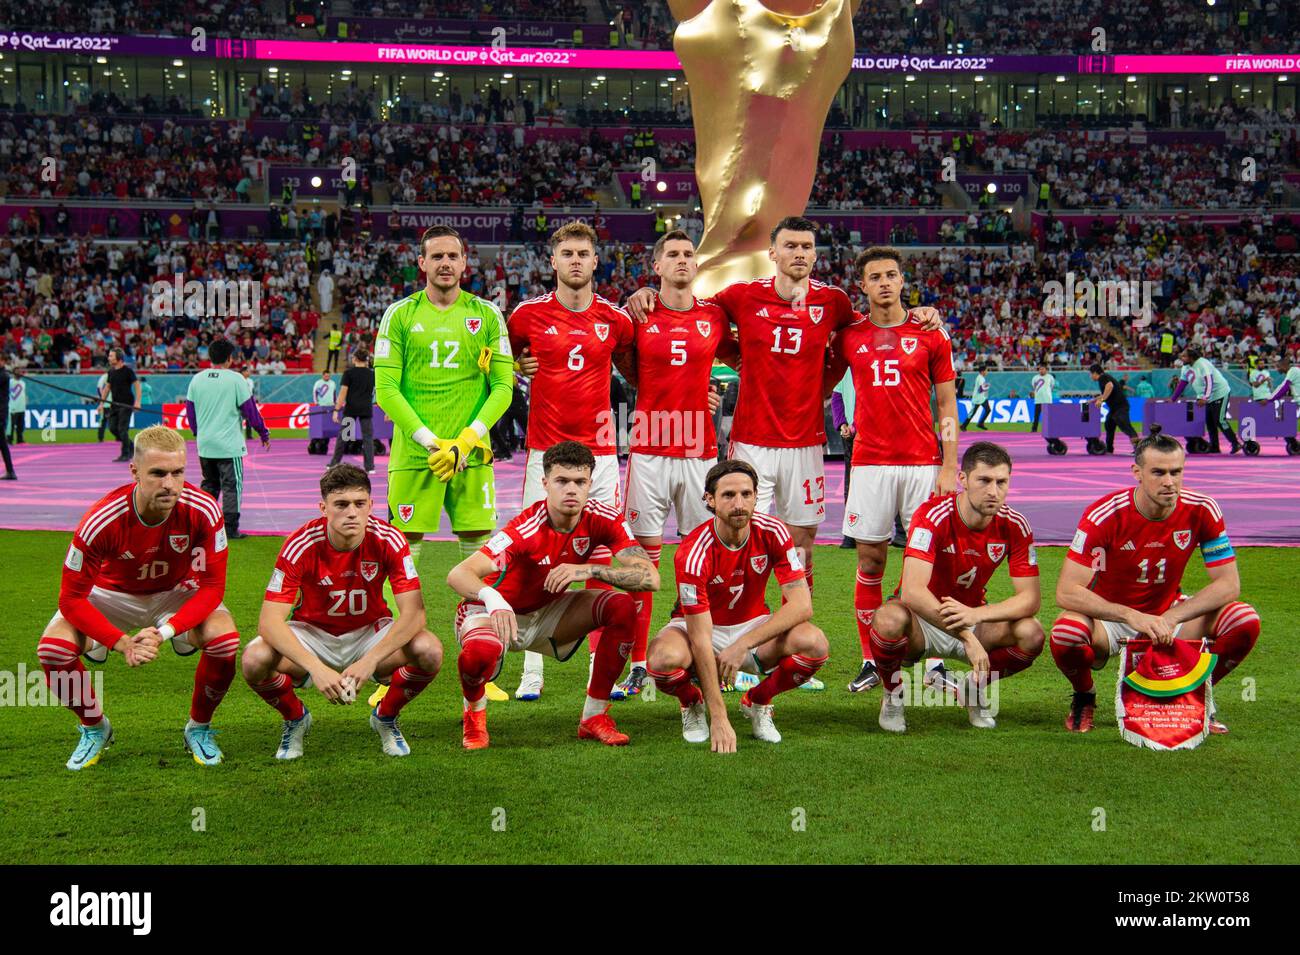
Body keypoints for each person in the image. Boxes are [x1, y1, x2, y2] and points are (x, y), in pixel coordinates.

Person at [625, 218, 943, 642]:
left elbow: (860, 338)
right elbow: (698, 318)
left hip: (806, 442)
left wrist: (921, 312)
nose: (798, 253)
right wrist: (647, 293)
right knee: (738, 533)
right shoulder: (741, 295)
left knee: (802, 540)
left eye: (806, 246)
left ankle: (796, 628)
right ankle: (734, 623)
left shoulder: (833, 303)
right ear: (772, 253)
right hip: (751, 441)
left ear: (814, 255)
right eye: (789, 245)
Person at [35, 425, 240, 769]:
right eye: (158, 473)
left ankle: (199, 728)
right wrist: (120, 642)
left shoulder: (203, 510)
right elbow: (71, 599)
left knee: (226, 642)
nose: (169, 484)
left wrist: (167, 631)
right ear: (134, 472)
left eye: (177, 473)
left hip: (177, 593)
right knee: (52, 650)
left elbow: (212, 588)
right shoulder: (101, 520)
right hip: (112, 596)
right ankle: (94, 727)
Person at [372, 225, 515, 702]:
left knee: (479, 551)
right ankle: (396, 664)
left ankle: (483, 665)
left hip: (472, 458)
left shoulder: (487, 314)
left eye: (453, 255)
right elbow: (386, 390)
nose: (446, 263)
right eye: (437, 256)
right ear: (422, 263)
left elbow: (503, 387)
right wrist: (434, 441)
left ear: (464, 262)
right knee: (402, 553)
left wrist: (469, 439)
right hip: (416, 457)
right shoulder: (399, 315)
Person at [445, 441, 659, 749]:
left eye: (579, 482)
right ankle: (474, 717)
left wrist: (589, 571)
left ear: (590, 484)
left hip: (549, 613)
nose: (571, 490)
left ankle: (593, 717)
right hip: (495, 613)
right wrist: (494, 600)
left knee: (622, 607)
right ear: (545, 484)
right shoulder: (526, 527)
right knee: (479, 653)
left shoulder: (604, 518)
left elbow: (650, 578)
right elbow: (458, 574)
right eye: (562, 481)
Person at [1050, 430, 1259, 734]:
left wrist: (1170, 616)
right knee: (1066, 633)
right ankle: (1085, 695)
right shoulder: (1104, 514)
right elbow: (1067, 591)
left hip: (1167, 613)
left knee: (1243, 619)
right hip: (1110, 620)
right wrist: (1132, 616)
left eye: (1176, 472)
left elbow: (1228, 584)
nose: (1169, 482)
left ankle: (1195, 694)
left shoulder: (1203, 509)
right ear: (1137, 472)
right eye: (1158, 472)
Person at [505, 221, 634, 700]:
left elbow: (635, 363)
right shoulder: (526, 316)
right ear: (553, 262)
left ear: (595, 261)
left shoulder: (616, 319)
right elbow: (503, 360)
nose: (576, 260)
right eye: (568, 253)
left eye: (584, 253)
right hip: (546, 452)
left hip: (599, 457)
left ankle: (598, 672)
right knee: (535, 556)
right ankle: (531, 673)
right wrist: (519, 366)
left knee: (601, 556)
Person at [241, 464, 442, 759]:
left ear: (371, 505)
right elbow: (269, 622)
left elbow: (414, 615)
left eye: (360, 504)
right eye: (341, 504)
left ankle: (385, 717)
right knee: (254, 659)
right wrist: (316, 667)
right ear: (323, 508)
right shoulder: (301, 544)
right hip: (313, 634)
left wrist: (370, 660)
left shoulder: (389, 539)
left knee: (430, 650)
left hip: (368, 634)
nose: (352, 512)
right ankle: (295, 718)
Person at [827, 246, 959, 694]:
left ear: (902, 281)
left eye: (891, 275)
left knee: (927, 564)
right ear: (862, 286)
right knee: (871, 560)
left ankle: (934, 662)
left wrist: (949, 463)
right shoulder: (848, 335)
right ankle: (870, 658)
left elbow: (946, 403)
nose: (885, 282)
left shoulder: (931, 334)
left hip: (923, 463)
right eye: (875, 277)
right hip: (869, 463)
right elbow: (820, 378)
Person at [604, 230, 729, 699]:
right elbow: (619, 360)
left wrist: (709, 388)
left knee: (701, 557)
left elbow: (741, 353)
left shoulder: (715, 316)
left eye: (688, 254)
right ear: (656, 266)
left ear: (696, 265)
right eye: (672, 254)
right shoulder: (637, 313)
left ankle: (700, 648)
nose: (682, 260)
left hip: (700, 451)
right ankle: (637, 661)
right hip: (651, 449)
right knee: (645, 558)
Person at [647, 460, 827, 749]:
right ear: (709, 500)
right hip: (700, 627)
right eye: (728, 495)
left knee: (814, 644)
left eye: (747, 494)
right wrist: (719, 718)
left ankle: (758, 701)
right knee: (661, 660)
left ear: (756, 496)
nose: (739, 503)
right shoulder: (693, 551)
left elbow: (802, 605)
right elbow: (700, 637)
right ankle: (693, 703)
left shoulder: (774, 531)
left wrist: (742, 644)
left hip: (753, 625)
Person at [868, 442, 1043, 732]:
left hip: (972, 616)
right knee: (888, 620)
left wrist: (976, 617)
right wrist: (966, 636)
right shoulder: (932, 515)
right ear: (963, 480)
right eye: (984, 481)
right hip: (922, 620)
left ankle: (973, 688)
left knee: (1031, 633)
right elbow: (912, 592)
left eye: (1002, 482)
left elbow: (1030, 599)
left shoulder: (1015, 525)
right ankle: (892, 693)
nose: (993, 491)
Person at [185, 338, 271, 540]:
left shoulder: (197, 379)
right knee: (232, 486)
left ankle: (201, 525)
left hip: (205, 444)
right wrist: (263, 433)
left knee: (209, 485)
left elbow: (190, 412)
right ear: (230, 358)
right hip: (228, 446)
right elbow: (250, 411)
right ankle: (230, 529)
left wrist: (199, 433)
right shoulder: (236, 379)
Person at [1171, 347, 1241, 454]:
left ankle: (1235, 443)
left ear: (1191, 358)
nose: (1181, 357)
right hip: (1206, 396)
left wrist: (1204, 398)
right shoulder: (1185, 367)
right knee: (1209, 422)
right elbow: (1182, 383)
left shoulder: (1203, 364)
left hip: (1220, 393)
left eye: (1184, 356)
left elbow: (1209, 382)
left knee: (1220, 420)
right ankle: (1215, 446)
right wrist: (1173, 399)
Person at [329, 347, 376, 472]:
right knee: (367, 438)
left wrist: (336, 410)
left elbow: (343, 393)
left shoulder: (349, 373)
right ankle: (370, 467)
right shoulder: (372, 374)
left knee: (344, 436)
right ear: (366, 360)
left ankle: (334, 463)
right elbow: (378, 393)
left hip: (351, 410)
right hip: (366, 409)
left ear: (354, 359)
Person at [1090, 362, 1137, 453]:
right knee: (1109, 426)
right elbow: (1106, 392)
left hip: (1120, 407)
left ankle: (1138, 448)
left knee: (1126, 426)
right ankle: (1109, 449)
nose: (1090, 376)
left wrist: (1102, 399)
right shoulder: (1105, 377)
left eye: (1090, 374)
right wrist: (1093, 400)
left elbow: (1110, 386)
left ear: (1095, 373)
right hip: (1114, 408)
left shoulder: (1103, 377)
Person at [104, 348, 141, 462]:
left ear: (118, 358)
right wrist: (101, 403)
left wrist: (137, 402)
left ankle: (125, 453)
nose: (109, 358)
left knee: (122, 429)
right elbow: (107, 388)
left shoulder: (128, 371)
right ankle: (132, 446)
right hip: (114, 405)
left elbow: (137, 386)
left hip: (126, 404)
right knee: (112, 428)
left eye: (111, 356)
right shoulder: (110, 372)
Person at [961, 362, 991, 430]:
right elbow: (980, 390)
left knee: (988, 410)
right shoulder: (980, 378)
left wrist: (985, 386)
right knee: (972, 413)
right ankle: (963, 425)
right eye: (986, 370)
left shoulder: (980, 378)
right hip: (977, 399)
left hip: (982, 398)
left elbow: (978, 387)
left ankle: (980, 423)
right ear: (982, 371)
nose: (987, 372)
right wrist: (987, 386)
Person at [1030, 362, 1055, 432]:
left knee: (1049, 416)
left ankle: (1050, 429)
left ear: (1046, 369)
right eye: (1040, 369)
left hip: (1047, 400)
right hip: (1038, 400)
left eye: (1042, 369)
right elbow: (1034, 387)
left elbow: (1052, 387)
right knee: (1036, 416)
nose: (1041, 370)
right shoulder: (1035, 378)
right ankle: (1034, 429)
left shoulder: (1050, 377)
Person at [0, 359, 15, 479]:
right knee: (2, 444)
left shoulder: (3, 376)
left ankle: (10, 471)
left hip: (0, 413)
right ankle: (10, 471)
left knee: (2, 443)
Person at [8, 364, 27, 445]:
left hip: (21, 407)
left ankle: (20, 440)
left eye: (20, 371)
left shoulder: (23, 383)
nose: (20, 372)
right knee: (11, 425)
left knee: (20, 425)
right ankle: (9, 440)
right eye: (18, 371)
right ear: (14, 372)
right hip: (12, 407)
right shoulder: (10, 382)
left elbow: (23, 393)